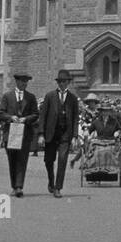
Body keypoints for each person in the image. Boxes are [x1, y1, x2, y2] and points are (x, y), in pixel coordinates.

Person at [38, 70, 80, 198]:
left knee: (62, 160)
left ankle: (58, 187)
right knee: (48, 160)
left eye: (64, 81)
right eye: (60, 81)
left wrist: (74, 136)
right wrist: (41, 134)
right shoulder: (50, 96)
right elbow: (43, 116)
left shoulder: (73, 98)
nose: (62, 84)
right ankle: (51, 180)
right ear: (57, 82)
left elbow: (75, 119)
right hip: (51, 133)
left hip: (65, 134)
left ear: (68, 82)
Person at [0, 74, 39, 197]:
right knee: (12, 160)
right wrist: (11, 117)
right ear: (17, 82)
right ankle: (14, 186)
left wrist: (26, 119)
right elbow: (1, 113)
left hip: (25, 133)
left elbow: (36, 114)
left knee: (22, 160)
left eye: (26, 82)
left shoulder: (30, 97)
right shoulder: (7, 96)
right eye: (22, 82)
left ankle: (19, 187)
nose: (24, 84)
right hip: (10, 133)